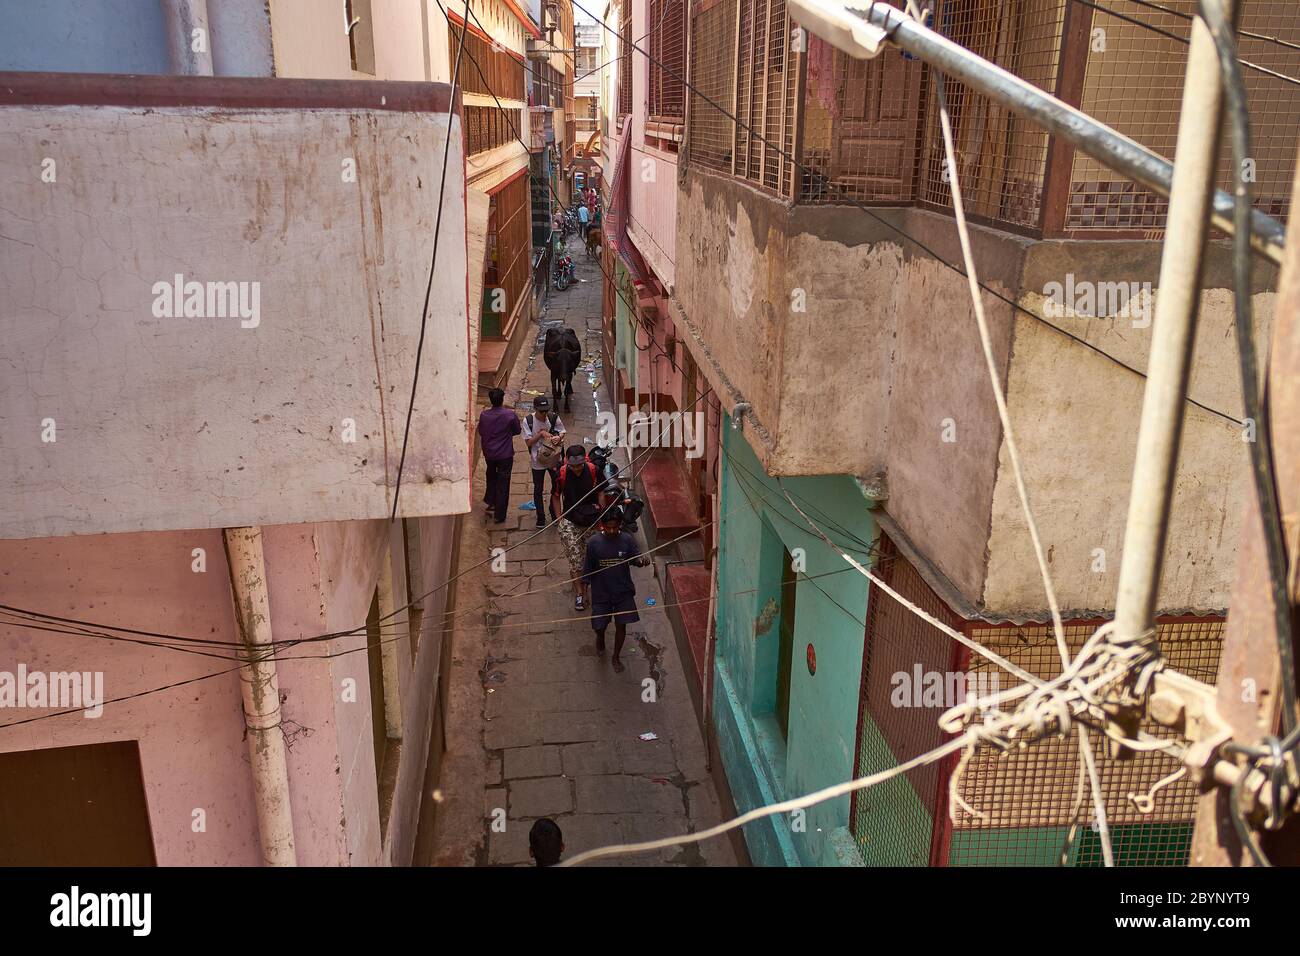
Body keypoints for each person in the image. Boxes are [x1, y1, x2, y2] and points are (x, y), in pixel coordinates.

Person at [583, 506, 649, 673]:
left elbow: (634, 559)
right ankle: (600, 638)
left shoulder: (626, 540)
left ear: (620, 524)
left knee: (621, 626)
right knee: (599, 626)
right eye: (608, 527)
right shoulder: (593, 543)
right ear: (602, 526)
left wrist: (642, 562)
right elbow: (587, 570)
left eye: (615, 526)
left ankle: (616, 656)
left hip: (622, 592)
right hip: (601, 593)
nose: (612, 530)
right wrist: (584, 593)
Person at [552, 444, 603, 610]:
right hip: (570, 520)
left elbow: (601, 491)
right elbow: (555, 496)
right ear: (568, 463)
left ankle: (587, 585)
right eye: (573, 466)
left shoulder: (594, 470)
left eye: (579, 465)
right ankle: (580, 592)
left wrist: (601, 513)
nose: (577, 469)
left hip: (591, 519)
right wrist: (560, 520)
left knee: (592, 556)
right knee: (576, 560)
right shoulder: (561, 474)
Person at [476, 387, 520, 524]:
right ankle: (500, 514)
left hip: (490, 453)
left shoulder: (484, 415)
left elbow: (481, 432)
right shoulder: (510, 415)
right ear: (502, 399)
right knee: (503, 482)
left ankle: (491, 501)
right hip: (505, 454)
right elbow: (517, 430)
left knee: (491, 476)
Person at [520, 396, 565, 528]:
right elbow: (528, 442)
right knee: (538, 489)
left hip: (554, 459)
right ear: (535, 409)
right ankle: (540, 517)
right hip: (537, 461)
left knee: (557, 486)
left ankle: (553, 511)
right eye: (541, 412)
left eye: (546, 411)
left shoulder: (553, 417)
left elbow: (562, 431)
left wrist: (558, 437)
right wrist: (541, 434)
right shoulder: (528, 421)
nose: (544, 414)